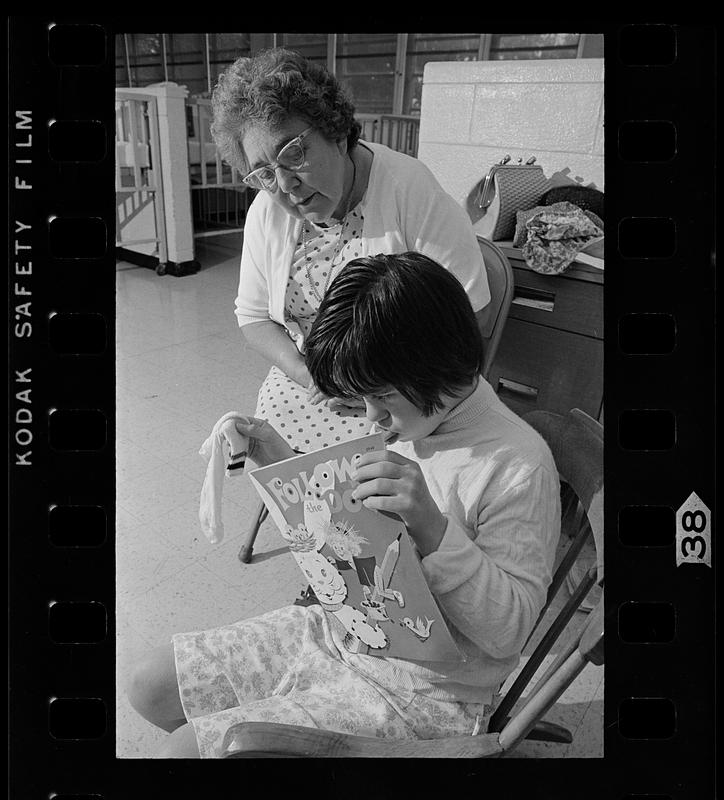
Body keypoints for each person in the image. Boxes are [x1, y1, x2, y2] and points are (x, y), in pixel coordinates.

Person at [127, 252, 560, 758]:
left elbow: (509, 631)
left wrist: (432, 529)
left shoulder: (516, 465)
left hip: (426, 696)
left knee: (185, 752)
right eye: (363, 400)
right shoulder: (417, 418)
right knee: (148, 685)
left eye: (380, 398)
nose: (371, 418)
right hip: (341, 631)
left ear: (435, 364)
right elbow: (352, 531)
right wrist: (282, 462)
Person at [210, 47, 491, 452]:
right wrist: (311, 376)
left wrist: (378, 389)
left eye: (294, 153)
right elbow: (253, 318)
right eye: (265, 173)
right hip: (310, 383)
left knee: (354, 494)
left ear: (336, 131)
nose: (285, 185)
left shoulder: (409, 188)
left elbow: (469, 314)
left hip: (399, 396)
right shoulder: (268, 211)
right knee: (272, 454)